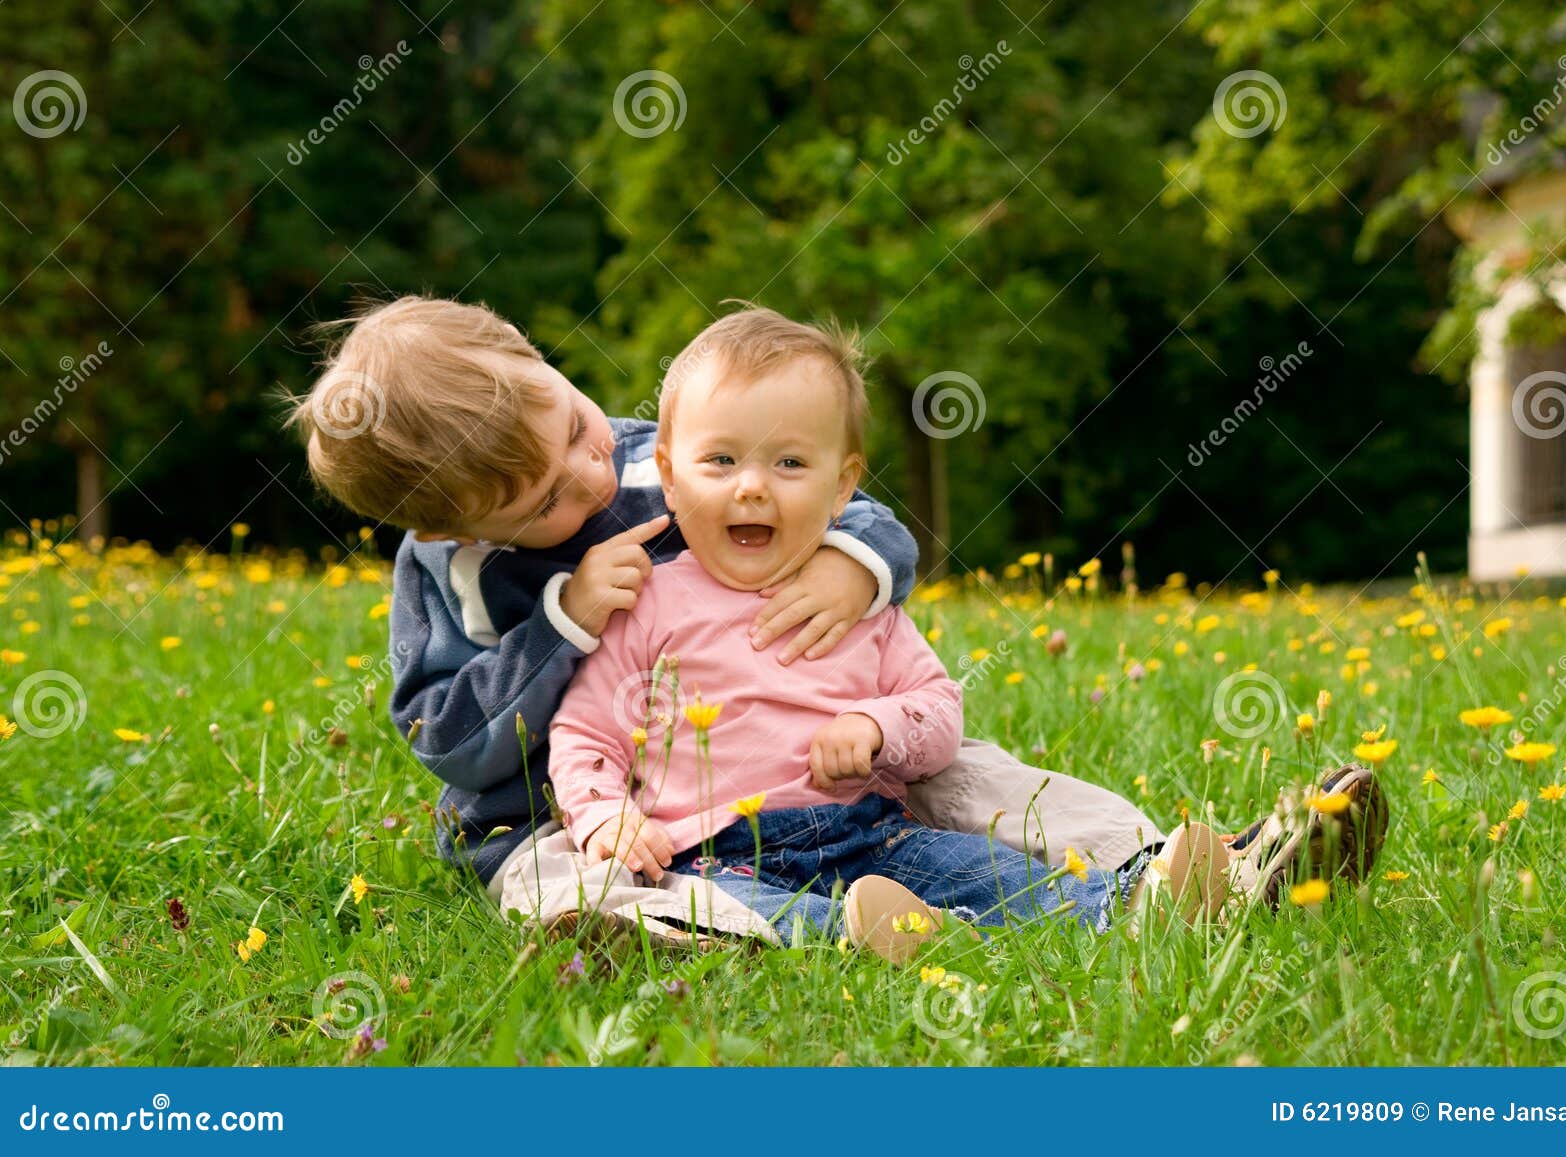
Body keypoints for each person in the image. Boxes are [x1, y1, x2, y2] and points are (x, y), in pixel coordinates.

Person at [288, 297, 1179, 926]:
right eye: (543, 503)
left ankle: (1150, 869)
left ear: (532, 352)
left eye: (571, 429)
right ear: (451, 526)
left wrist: (849, 566)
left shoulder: (672, 456)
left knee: (959, 769)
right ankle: (713, 933)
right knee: (562, 880)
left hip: (811, 755)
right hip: (585, 809)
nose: (592, 477)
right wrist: (564, 622)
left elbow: (837, 500)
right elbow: (447, 738)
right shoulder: (451, 577)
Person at [545, 307, 1385, 959]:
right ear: (665, 471)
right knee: (719, 907)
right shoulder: (647, 600)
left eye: (790, 464)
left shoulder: (859, 601)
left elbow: (938, 709)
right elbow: (584, 732)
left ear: (843, 488)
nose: (753, 488)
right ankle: (861, 938)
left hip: (870, 831)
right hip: (714, 847)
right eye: (720, 461)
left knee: (992, 873)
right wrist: (603, 817)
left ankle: (1151, 899)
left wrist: (876, 726)